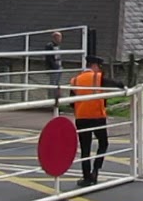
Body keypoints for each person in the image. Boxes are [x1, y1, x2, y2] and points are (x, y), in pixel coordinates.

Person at [70, 56, 124, 187]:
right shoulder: (97, 77)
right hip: (97, 116)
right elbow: (116, 84)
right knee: (103, 143)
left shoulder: (75, 80)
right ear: (94, 65)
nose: (100, 69)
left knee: (85, 148)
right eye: (99, 66)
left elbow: (71, 102)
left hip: (81, 117)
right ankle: (95, 170)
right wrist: (124, 87)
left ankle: (86, 177)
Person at [46, 32, 64, 102]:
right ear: (55, 38)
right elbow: (49, 58)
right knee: (53, 83)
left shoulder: (58, 46)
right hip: (53, 68)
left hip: (58, 66)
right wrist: (55, 66)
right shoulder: (49, 46)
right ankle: (51, 99)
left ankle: (56, 98)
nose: (60, 39)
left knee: (57, 83)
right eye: (59, 37)